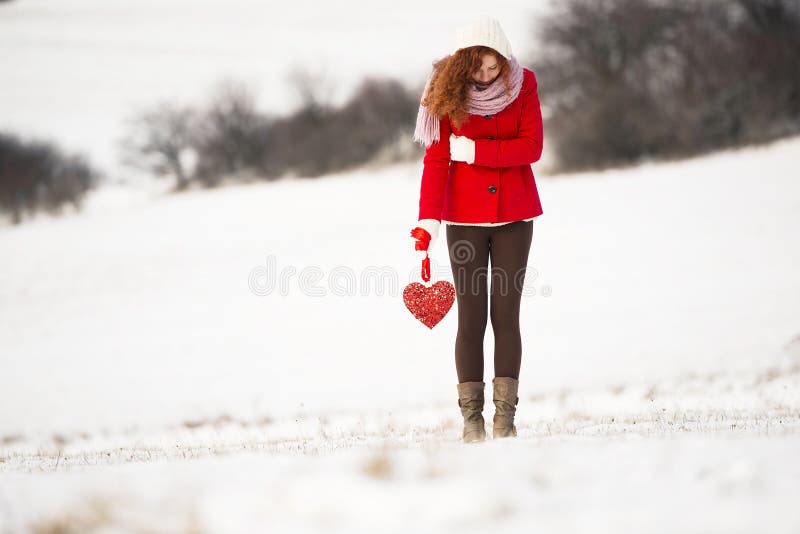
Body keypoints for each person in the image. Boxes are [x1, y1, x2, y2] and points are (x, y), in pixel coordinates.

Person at [409, 16, 544, 443]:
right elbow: (436, 161)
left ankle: (505, 419)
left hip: (514, 220)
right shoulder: (443, 93)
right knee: (471, 319)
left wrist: (475, 151)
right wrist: (426, 221)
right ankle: (472, 421)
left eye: (494, 66)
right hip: (463, 221)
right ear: (461, 64)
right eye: (478, 67)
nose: (486, 76)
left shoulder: (525, 85)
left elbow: (532, 147)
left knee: (506, 317)